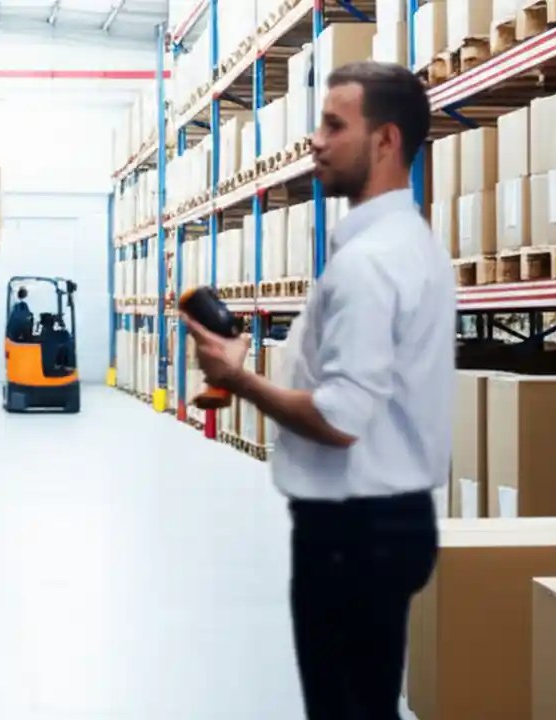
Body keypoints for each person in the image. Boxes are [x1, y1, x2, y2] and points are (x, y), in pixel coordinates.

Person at [180, 61, 455, 719]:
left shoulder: (368, 264)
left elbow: (338, 418)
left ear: (385, 141)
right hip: (393, 521)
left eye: (335, 125)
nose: (316, 140)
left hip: (352, 533)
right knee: (371, 702)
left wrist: (235, 377)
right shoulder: (410, 244)